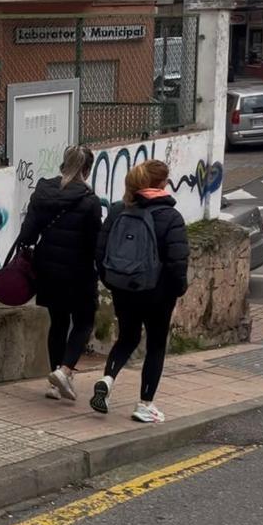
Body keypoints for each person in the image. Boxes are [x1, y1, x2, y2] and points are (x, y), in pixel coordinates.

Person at [91, 160, 189, 423]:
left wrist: (110, 280)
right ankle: (145, 405)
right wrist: (178, 288)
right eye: (166, 180)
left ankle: (107, 379)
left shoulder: (118, 211)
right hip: (158, 292)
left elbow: (101, 251)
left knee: (127, 338)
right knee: (156, 345)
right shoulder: (170, 217)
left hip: (124, 287)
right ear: (159, 184)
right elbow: (177, 260)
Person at [18, 146, 101, 402]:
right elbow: (95, 244)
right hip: (78, 270)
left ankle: (55, 383)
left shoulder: (42, 192)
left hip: (47, 267)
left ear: (63, 164)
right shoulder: (90, 201)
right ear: (87, 170)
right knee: (85, 320)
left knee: (59, 322)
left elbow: (28, 234)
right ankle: (65, 371)